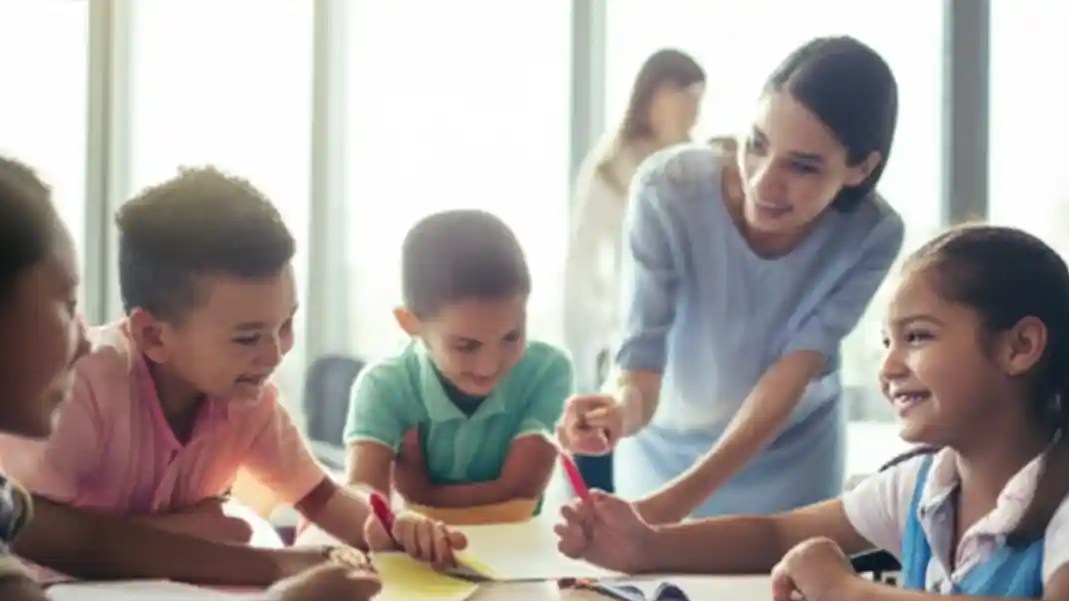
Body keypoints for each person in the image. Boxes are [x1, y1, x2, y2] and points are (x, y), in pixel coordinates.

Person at [556, 225, 1069, 601]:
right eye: (887, 343)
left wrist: (857, 597)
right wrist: (648, 545)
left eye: (916, 337)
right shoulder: (926, 481)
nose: (889, 368)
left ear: (1020, 347)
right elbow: (779, 535)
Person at [0, 156, 381, 601]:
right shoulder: (99, 382)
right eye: (66, 304)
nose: (83, 341)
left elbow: (85, 542)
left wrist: (275, 567)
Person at [0, 167, 459, 585]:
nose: (275, 352)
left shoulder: (247, 399)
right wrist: (198, 531)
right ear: (153, 336)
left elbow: (321, 497)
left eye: (285, 324)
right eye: (247, 338)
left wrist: (396, 528)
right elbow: (36, 538)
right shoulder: (79, 387)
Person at [557, 36, 903, 521]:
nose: (763, 183)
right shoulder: (667, 191)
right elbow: (641, 355)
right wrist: (616, 413)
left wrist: (667, 508)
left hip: (789, 459)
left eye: (802, 166)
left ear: (861, 168)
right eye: (756, 144)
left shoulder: (872, 235)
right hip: (663, 450)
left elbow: (789, 377)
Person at [344, 210, 572, 522]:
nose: (488, 366)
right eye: (465, 346)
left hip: (521, 561)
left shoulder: (548, 371)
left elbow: (520, 492)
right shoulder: (383, 385)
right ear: (410, 323)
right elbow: (364, 500)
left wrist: (422, 497)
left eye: (511, 336)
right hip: (418, 558)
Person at [564, 48, 705, 494]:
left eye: (698, 96)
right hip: (623, 337)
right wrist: (594, 341)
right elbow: (583, 264)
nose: (692, 107)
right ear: (654, 95)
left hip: (689, 344)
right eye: (684, 94)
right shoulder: (613, 167)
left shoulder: (695, 167)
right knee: (609, 455)